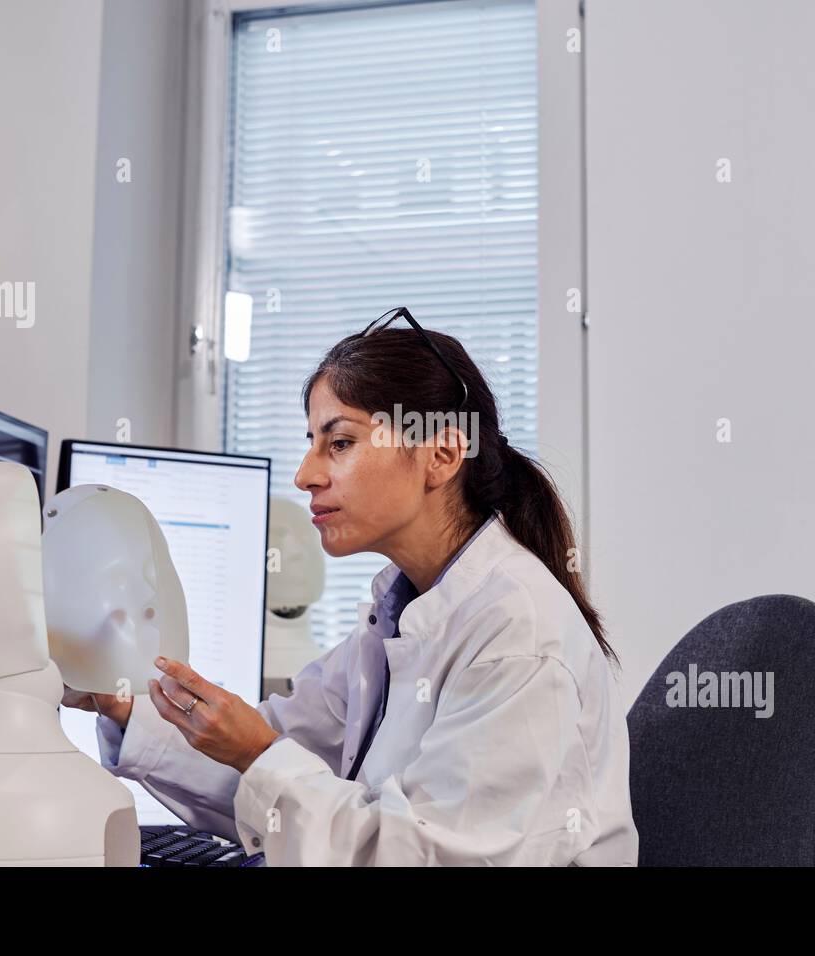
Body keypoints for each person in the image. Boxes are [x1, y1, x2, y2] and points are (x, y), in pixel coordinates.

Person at [63, 308, 639, 865]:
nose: (304, 474)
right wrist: (125, 709)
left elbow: (432, 857)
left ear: (440, 453)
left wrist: (258, 755)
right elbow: (277, 760)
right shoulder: (400, 614)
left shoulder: (519, 635)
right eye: (312, 441)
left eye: (338, 443)